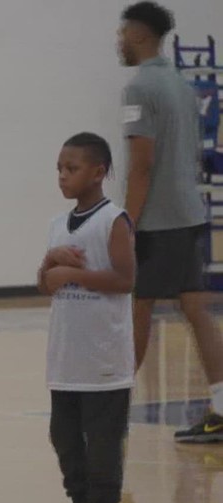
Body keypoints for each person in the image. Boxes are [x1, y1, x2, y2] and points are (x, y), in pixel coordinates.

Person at [118, 2, 222, 443]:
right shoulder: (180, 83)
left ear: (140, 35)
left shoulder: (140, 87)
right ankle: (221, 409)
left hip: (160, 221)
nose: (118, 40)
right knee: (197, 310)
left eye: (123, 32)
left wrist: (126, 222)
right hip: (190, 213)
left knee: (139, 307)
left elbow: (142, 163)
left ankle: (112, 403)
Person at [39, 133, 134, 503]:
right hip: (66, 358)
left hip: (104, 359)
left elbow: (126, 279)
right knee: (63, 436)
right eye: (59, 168)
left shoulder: (113, 219)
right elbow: (46, 285)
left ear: (98, 172)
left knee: (102, 441)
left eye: (71, 168)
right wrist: (50, 262)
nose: (62, 176)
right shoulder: (58, 224)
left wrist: (73, 273)